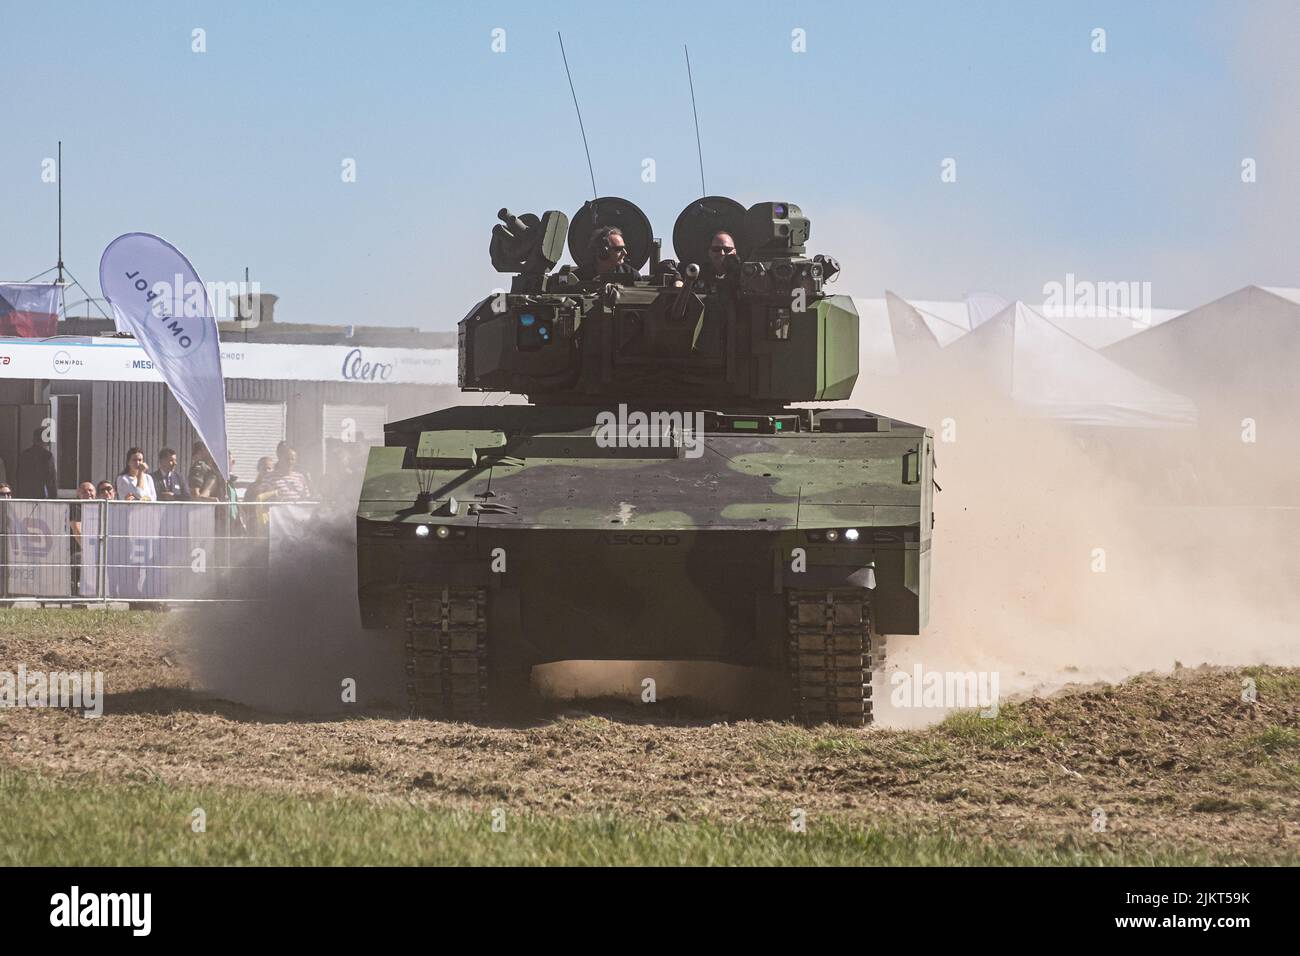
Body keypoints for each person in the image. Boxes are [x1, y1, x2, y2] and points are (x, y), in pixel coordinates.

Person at [15, 426, 58, 499]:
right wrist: (53, 498)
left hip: (24, 497)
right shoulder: (47, 456)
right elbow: (51, 480)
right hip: (41, 497)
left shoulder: (24, 455)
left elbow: (18, 476)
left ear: (34, 439)